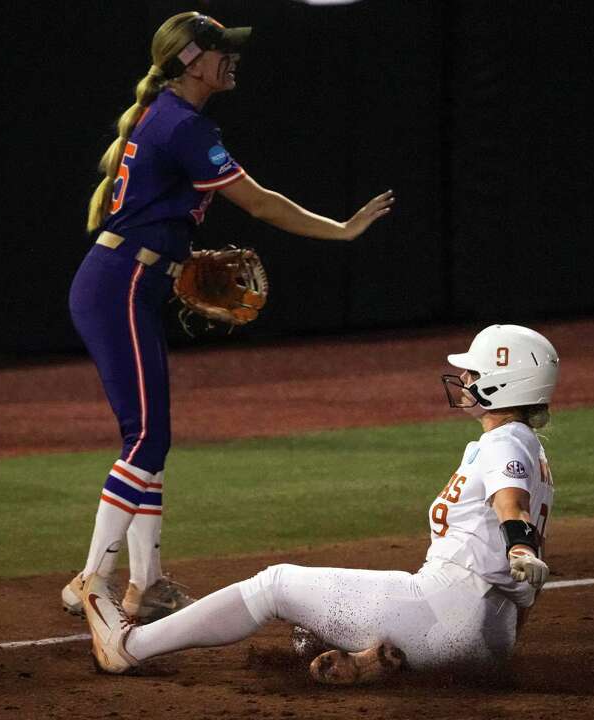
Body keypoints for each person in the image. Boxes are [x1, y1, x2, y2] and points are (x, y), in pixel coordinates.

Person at [62, 11, 395, 623]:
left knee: (149, 440)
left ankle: (147, 584)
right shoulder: (185, 126)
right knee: (146, 438)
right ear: (190, 60)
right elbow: (262, 206)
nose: (233, 58)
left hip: (126, 280)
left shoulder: (164, 115)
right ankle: (92, 579)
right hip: (120, 283)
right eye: (221, 51)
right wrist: (342, 230)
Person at [82, 325, 560, 684]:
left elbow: (509, 506)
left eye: (474, 371)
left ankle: (129, 647)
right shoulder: (530, 451)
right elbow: (518, 557)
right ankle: (373, 663)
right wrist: (495, 647)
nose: (462, 376)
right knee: (308, 632)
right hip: (487, 636)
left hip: (443, 611)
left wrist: (518, 548)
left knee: (275, 586)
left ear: (503, 383)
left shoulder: (505, 445)